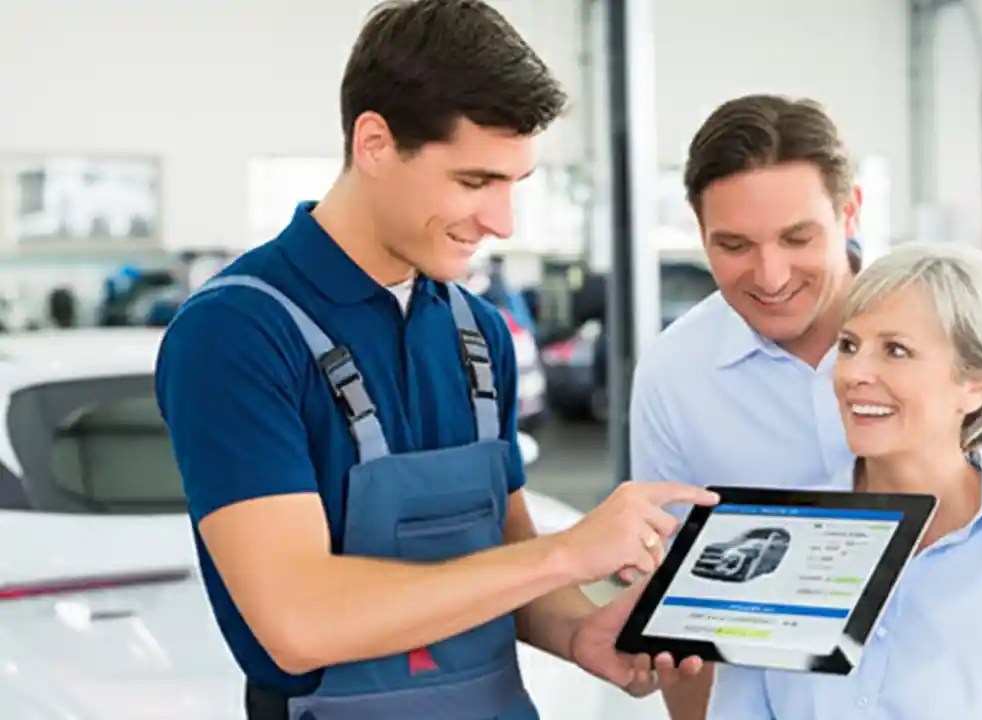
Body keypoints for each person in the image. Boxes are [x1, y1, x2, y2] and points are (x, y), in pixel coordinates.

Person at [155, 2, 714, 719]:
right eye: (475, 181)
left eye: (516, 184)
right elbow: (297, 622)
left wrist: (579, 631)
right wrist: (570, 551)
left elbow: (504, 558)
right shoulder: (236, 334)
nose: (502, 222)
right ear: (375, 143)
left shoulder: (477, 335)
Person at [628, 94, 982, 719]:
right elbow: (677, 620)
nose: (770, 275)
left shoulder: (968, 332)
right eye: (735, 245)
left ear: (848, 211)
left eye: (797, 237)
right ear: (699, 232)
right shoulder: (675, 378)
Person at [708, 243, 982, 718]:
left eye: (896, 350)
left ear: (978, 383)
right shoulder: (775, 536)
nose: (854, 373)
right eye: (849, 345)